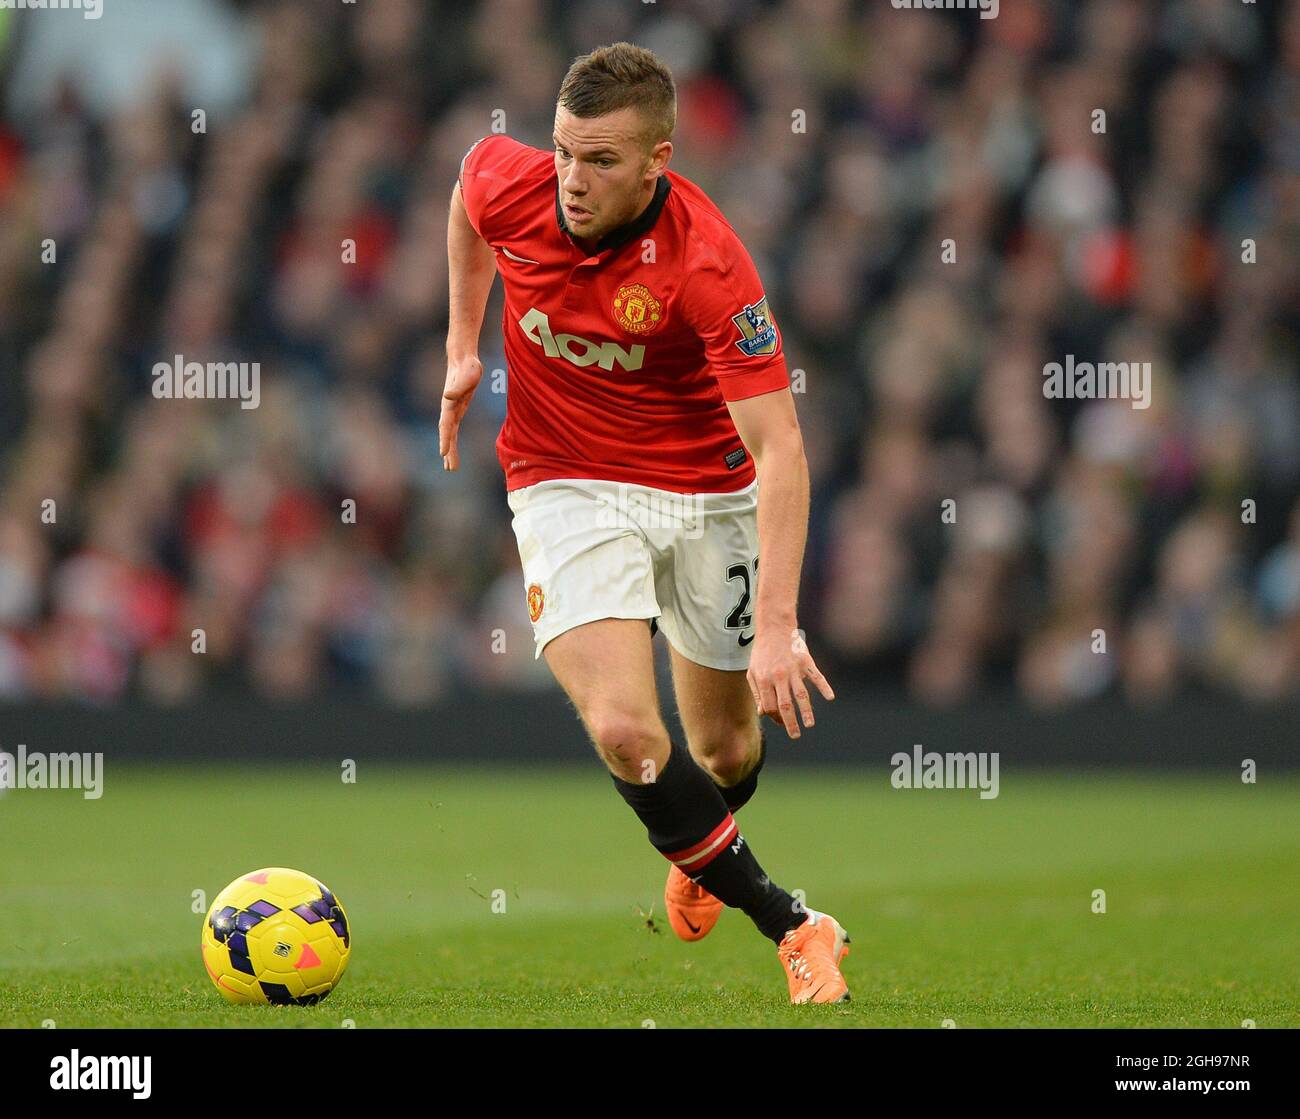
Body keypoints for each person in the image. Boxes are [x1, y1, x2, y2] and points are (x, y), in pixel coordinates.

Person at [441, 41, 847, 1003]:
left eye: (603, 162)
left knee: (724, 753)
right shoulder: (517, 183)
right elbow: (467, 194)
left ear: (660, 159)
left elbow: (782, 448)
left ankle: (702, 844)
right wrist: (463, 343)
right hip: (563, 480)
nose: (572, 183)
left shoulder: (709, 263)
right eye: (565, 153)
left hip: (703, 494)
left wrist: (780, 624)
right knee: (627, 730)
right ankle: (793, 922)